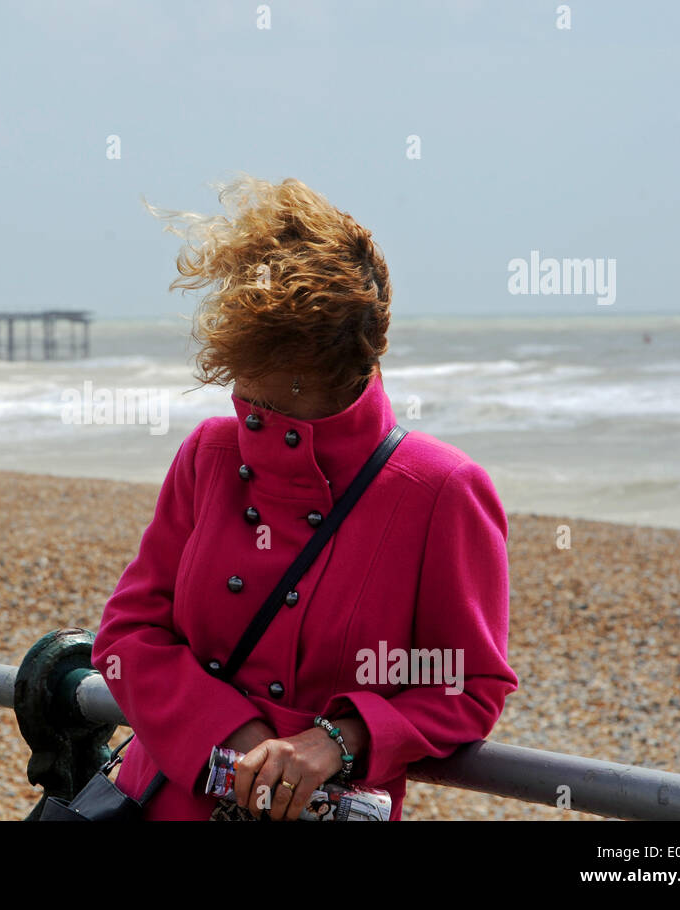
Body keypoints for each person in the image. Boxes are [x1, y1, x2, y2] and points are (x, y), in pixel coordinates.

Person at [91, 175, 518, 820]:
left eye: (263, 371)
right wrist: (233, 733)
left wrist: (337, 741)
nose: (242, 393)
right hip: (164, 804)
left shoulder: (441, 491)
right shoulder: (209, 455)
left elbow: (467, 684)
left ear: (329, 361)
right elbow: (126, 635)